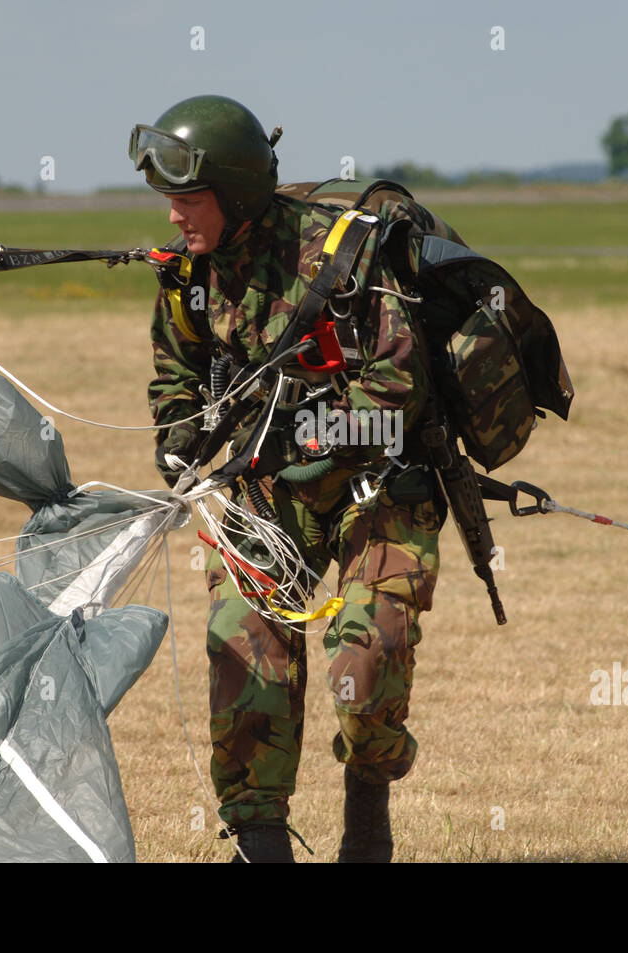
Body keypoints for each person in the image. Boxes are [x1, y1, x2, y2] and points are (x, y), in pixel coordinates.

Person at [134, 94, 445, 863]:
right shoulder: (188, 275)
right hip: (267, 491)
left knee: (363, 668)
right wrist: (178, 442)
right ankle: (260, 841)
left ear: (236, 193)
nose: (174, 217)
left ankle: (367, 812)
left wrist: (307, 430)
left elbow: (396, 401)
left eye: (188, 199)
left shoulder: (346, 255)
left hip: (379, 482)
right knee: (243, 647)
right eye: (169, 200)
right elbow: (176, 372)